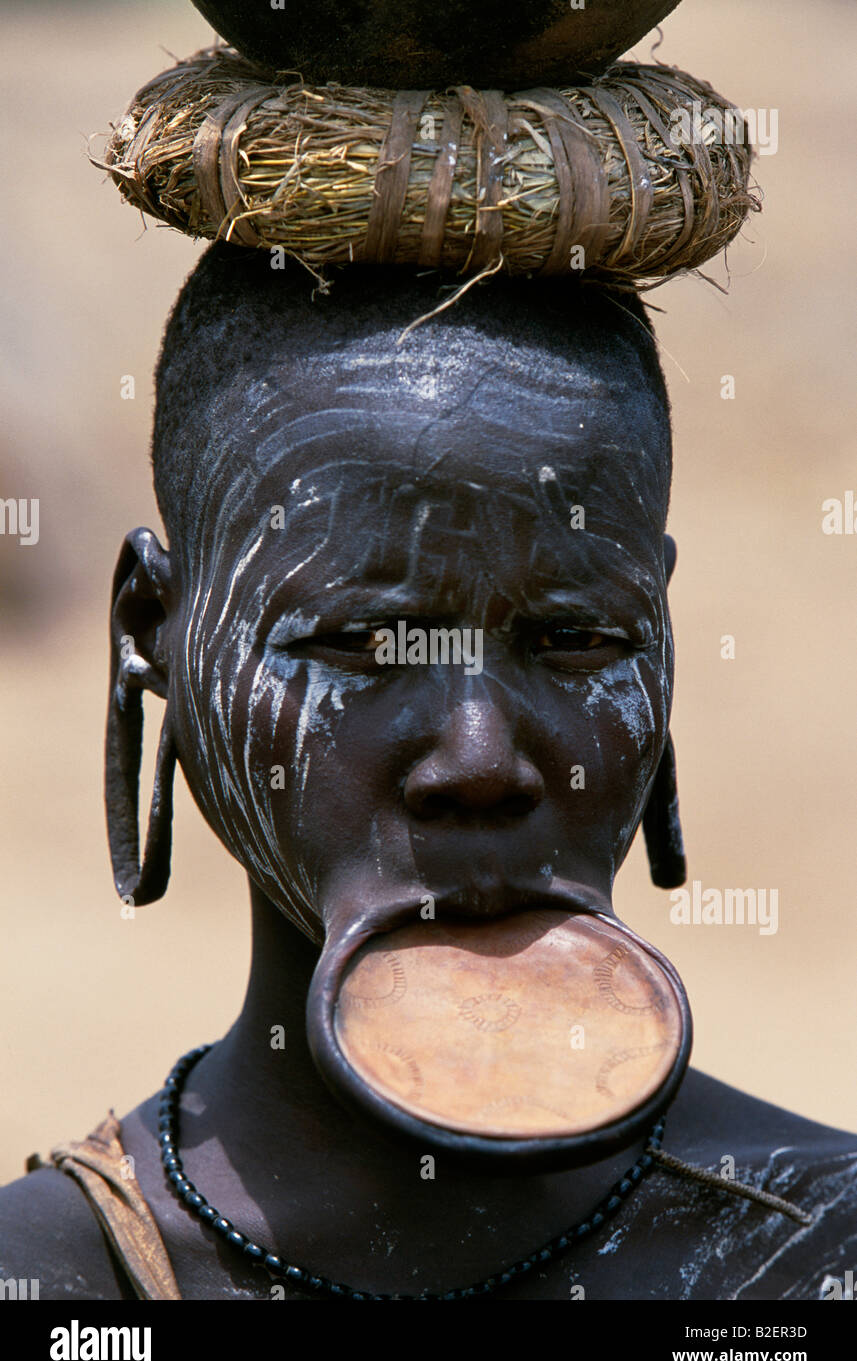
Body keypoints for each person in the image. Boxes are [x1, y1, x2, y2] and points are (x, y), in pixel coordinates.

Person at [1, 245, 854, 1300]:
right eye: (362, 641)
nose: (480, 759)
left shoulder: (817, 1257)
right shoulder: (46, 1284)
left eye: (579, 639)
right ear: (153, 633)